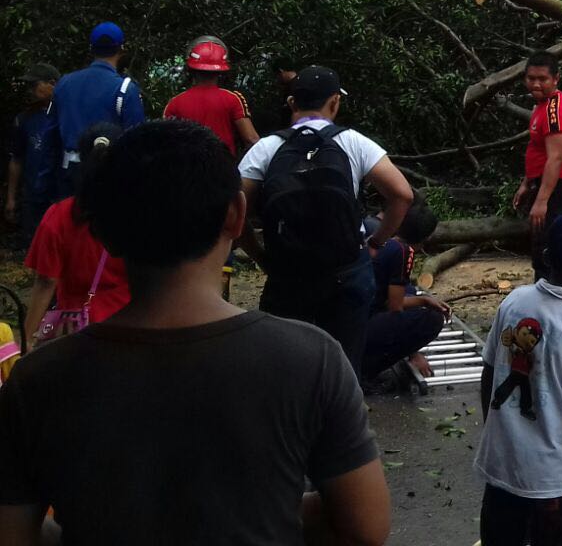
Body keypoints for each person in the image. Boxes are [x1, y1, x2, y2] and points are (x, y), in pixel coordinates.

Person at [0, 117, 391, 545]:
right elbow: (366, 527)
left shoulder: (37, 379)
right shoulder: (311, 358)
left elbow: (15, 533)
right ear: (236, 216)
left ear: (104, 233)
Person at [239, 64, 413, 374]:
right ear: (335, 102)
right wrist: (376, 242)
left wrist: (261, 256)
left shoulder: (266, 148)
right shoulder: (354, 143)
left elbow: (235, 211)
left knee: (286, 367)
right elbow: (402, 195)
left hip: (287, 273)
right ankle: (342, 416)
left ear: (292, 103)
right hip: (346, 271)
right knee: (343, 367)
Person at [477, 209, 562, 546]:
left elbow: (488, 373)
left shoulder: (513, 301)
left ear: (546, 255)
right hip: (553, 482)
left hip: (500, 468)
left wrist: (494, 429)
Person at [22, 123, 131, 345]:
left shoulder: (60, 214)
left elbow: (46, 281)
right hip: (131, 323)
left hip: (74, 330)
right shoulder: (140, 213)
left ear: (81, 159)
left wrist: (25, 340)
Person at [42, 20, 144, 194]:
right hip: (109, 176)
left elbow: (49, 138)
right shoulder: (125, 89)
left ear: (91, 48)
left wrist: (43, 186)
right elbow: (137, 143)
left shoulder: (64, 83)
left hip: (69, 174)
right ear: (121, 49)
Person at [362, 199, 450, 385]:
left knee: (409, 289)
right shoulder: (403, 252)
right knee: (432, 318)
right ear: (424, 239)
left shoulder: (381, 240)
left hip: (352, 319)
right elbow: (395, 305)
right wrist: (426, 301)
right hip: (364, 325)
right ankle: (364, 370)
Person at [513, 53, 562, 273]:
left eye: (542, 79)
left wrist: (542, 201)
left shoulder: (555, 112)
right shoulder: (541, 107)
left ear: (556, 79)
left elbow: (556, 158)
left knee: (552, 251)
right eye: (531, 78)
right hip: (544, 185)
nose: (536, 84)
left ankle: (553, 300)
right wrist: (526, 184)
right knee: (540, 247)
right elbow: (538, 150)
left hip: (561, 190)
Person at [163, 35, 260, 156]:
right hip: (223, 169)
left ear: (191, 69)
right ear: (221, 71)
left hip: (186, 170)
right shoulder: (232, 99)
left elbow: (165, 143)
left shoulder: (175, 103)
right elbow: (251, 139)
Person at [6, 64, 59, 248]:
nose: (30, 90)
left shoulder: (65, 115)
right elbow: (16, 159)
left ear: (52, 84)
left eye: (34, 85)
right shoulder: (24, 119)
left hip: (57, 196)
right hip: (31, 196)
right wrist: (11, 198)